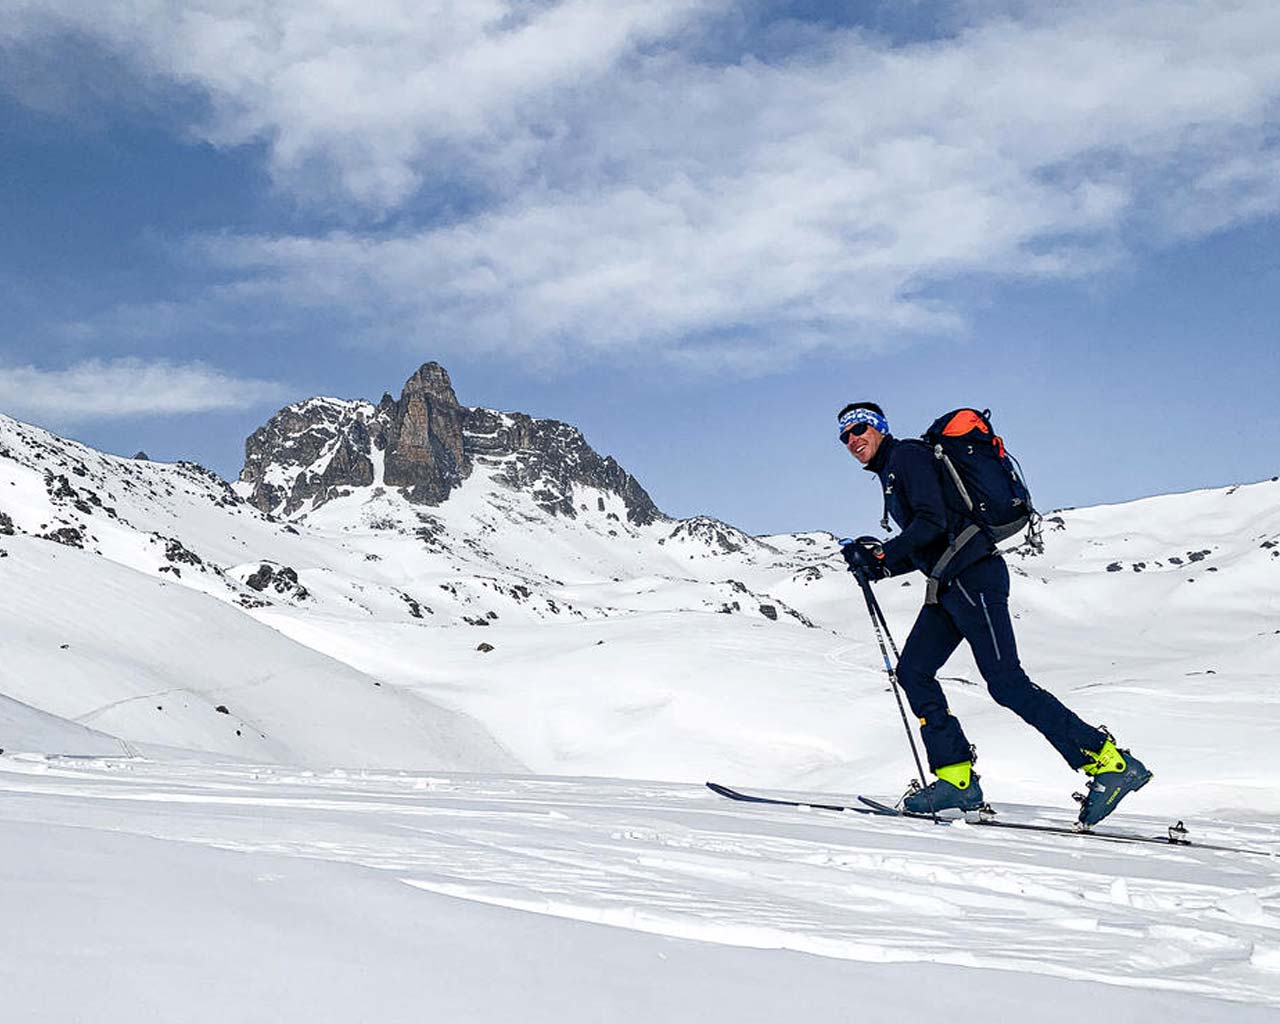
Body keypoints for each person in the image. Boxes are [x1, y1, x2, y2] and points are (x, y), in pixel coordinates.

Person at [836, 401, 1151, 827]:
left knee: (1007, 683)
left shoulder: (907, 456)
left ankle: (1109, 763)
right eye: (846, 436)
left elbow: (930, 522)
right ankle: (956, 779)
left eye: (860, 430)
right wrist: (879, 564)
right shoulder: (893, 472)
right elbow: (933, 537)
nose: (854, 440)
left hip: (974, 577)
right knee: (913, 671)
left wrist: (886, 553)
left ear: (880, 429)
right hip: (950, 584)